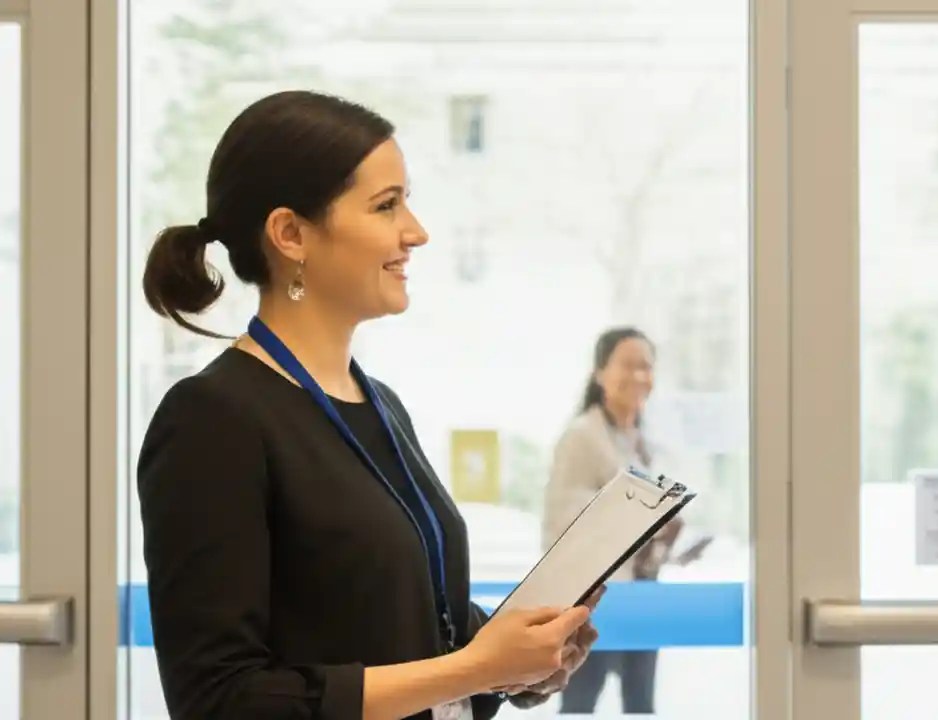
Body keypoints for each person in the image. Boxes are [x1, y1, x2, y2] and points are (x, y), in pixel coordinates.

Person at [136, 90, 600, 720]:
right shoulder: (211, 421)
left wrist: (515, 666)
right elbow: (221, 700)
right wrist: (475, 667)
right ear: (291, 234)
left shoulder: (380, 403)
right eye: (387, 206)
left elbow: (412, 624)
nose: (417, 232)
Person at [541, 328, 705, 715]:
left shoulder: (647, 439)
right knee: (581, 704)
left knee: (641, 705)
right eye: (628, 365)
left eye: (647, 367)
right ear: (600, 373)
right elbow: (564, 521)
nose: (639, 376)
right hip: (595, 602)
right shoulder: (582, 437)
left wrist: (673, 541)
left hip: (643, 598)